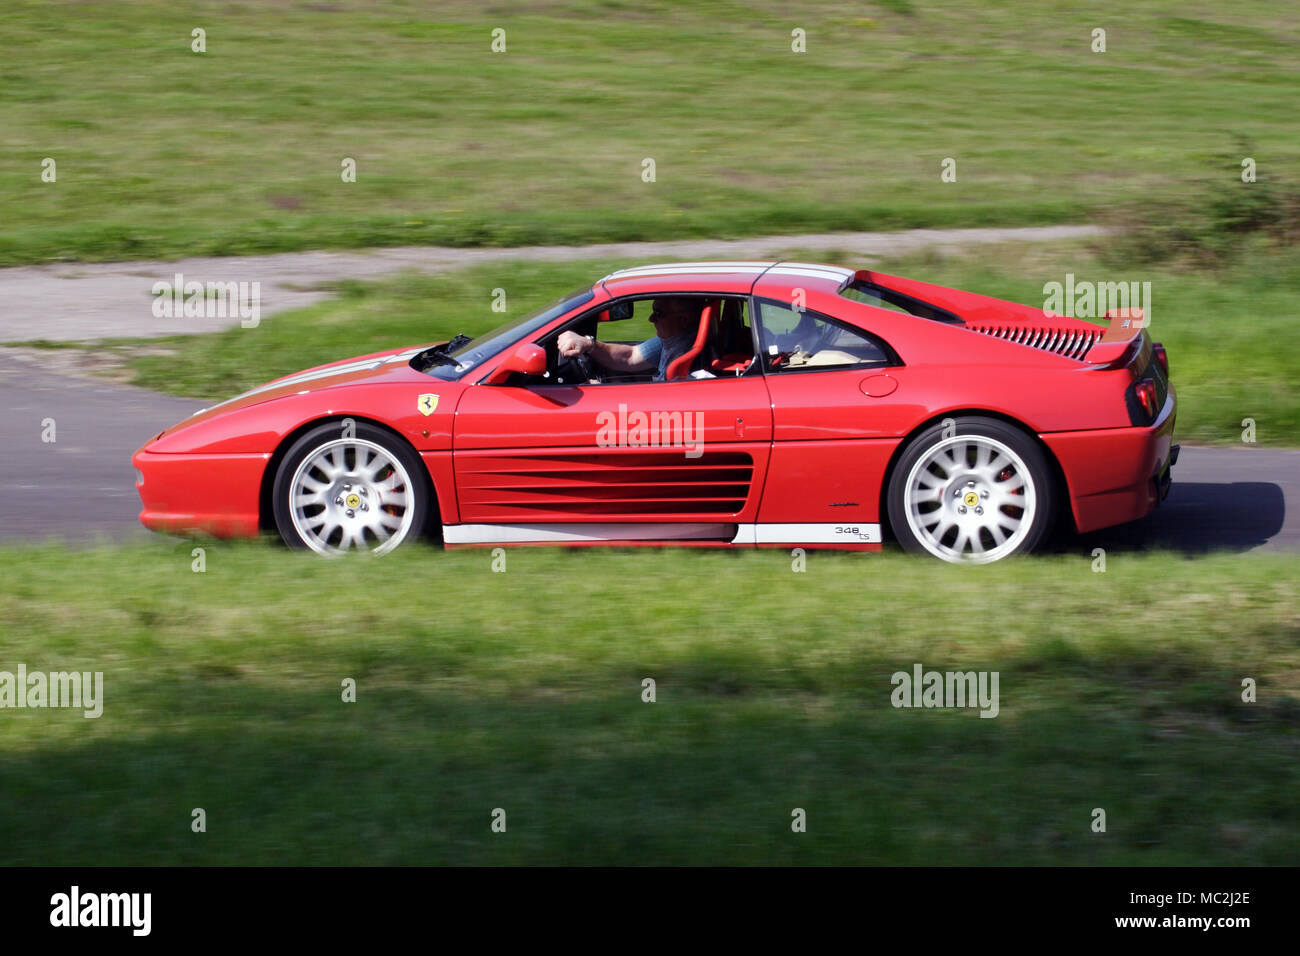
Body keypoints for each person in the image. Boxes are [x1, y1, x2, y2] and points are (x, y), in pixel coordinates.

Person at [556, 298, 701, 382]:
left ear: (684, 319)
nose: (651, 319)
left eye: (658, 314)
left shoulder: (689, 360)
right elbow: (630, 356)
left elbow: (653, 410)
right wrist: (589, 344)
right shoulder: (670, 341)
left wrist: (597, 391)